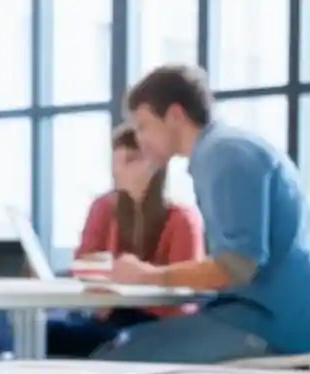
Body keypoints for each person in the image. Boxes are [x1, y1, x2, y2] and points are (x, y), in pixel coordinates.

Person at [99, 64, 310, 364]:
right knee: (123, 344)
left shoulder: (224, 156)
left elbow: (238, 265)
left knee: (115, 360)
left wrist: (148, 275)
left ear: (174, 116)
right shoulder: (221, 151)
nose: (140, 139)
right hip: (265, 314)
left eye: (143, 125)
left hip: (274, 325)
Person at [45, 124, 205, 358]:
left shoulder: (181, 218)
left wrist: (137, 280)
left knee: (65, 338)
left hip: (158, 323)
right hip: (108, 315)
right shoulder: (104, 207)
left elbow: (186, 290)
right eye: (116, 161)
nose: (118, 170)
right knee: (46, 332)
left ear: (155, 165)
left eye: (129, 160)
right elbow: (83, 262)